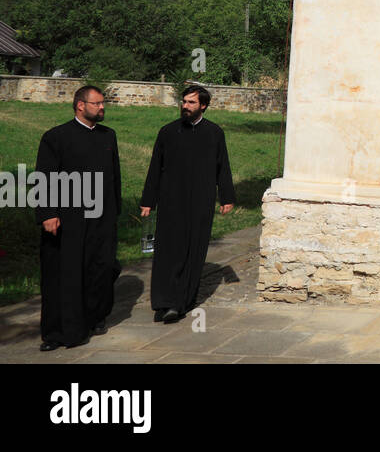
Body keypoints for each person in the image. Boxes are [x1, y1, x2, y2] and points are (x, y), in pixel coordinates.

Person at [35, 85, 121, 351]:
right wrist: (48, 213)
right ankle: (57, 332)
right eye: (97, 103)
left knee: (100, 269)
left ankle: (95, 317)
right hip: (68, 219)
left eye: (103, 103)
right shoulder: (56, 137)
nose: (102, 107)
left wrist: (114, 211)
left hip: (101, 219)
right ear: (80, 106)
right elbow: (44, 179)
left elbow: (114, 177)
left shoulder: (109, 136)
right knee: (64, 275)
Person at [140, 85, 236, 323]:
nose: (185, 106)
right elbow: (155, 168)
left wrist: (227, 197)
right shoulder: (168, 132)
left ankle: (179, 302)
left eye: (191, 102)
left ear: (203, 105)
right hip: (171, 200)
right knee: (167, 251)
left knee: (192, 250)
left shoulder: (214, 133)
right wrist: (147, 201)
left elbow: (222, 166)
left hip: (200, 202)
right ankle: (162, 301)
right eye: (184, 101)